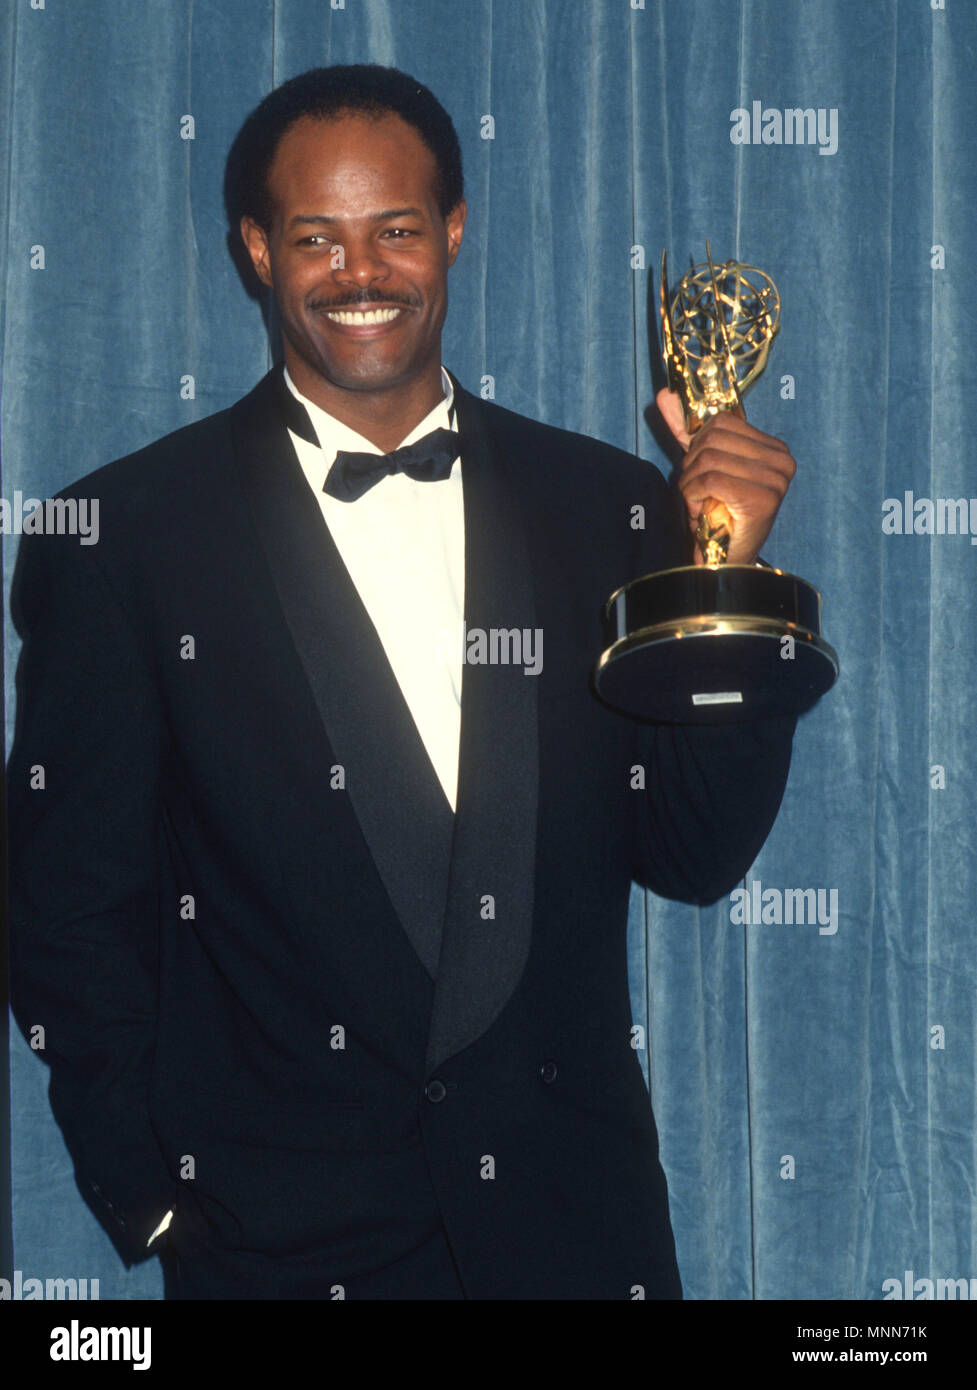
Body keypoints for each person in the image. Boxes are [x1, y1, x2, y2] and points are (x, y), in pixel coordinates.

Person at [7, 64, 799, 1300]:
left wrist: (725, 578)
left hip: (577, 1237)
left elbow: (691, 855)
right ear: (255, 250)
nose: (359, 273)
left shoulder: (607, 507)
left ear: (454, 231)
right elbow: (67, 903)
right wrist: (153, 1197)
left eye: (394, 230)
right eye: (315, 237)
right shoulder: (125, 537)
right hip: (274, 1249)